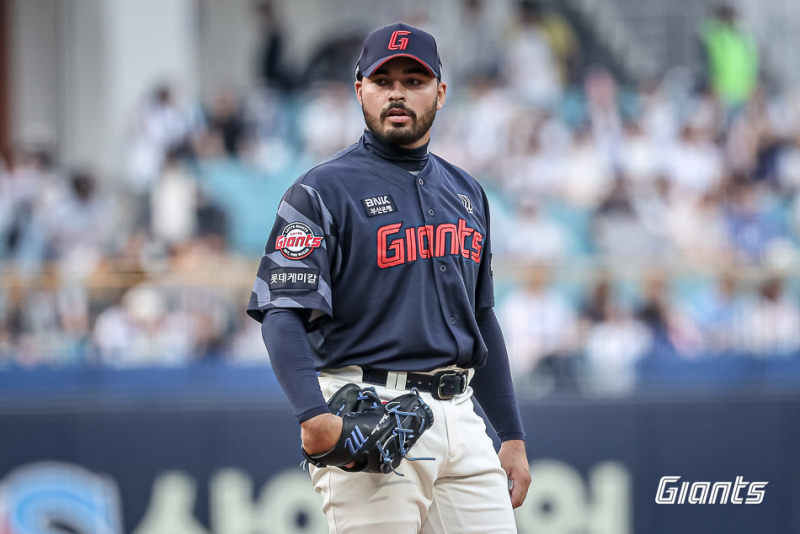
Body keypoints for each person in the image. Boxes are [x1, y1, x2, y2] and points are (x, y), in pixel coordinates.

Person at [247, 23, 530, 533]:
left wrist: (510, 433)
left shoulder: (467, 192)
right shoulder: (322, 191)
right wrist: (313, 417)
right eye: (383, 80)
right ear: (360, 90)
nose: (397, 92)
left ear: (440, 93)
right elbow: (281, 312)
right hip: (371, 411)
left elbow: (481, 316)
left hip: (463, 417)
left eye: (414, 80)